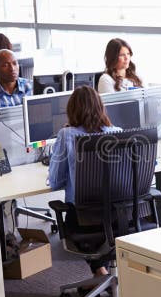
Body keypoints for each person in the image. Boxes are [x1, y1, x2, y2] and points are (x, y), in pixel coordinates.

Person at [48, 86, 122, 277]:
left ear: (72, 110)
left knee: (81, 212)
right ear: (101, 107)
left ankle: (100, 273)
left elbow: (55, 181)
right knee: (104, 220)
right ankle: (101, 272)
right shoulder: (118, 132)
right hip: (120, 217)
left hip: (84, 221)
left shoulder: (66, 135)